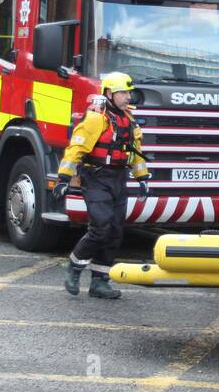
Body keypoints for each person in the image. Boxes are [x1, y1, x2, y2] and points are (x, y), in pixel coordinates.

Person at [54, 71, 151, 299]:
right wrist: (63, 179)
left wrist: (143, 179)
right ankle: (74, 266)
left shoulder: (128, 119)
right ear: (109, 93)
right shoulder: (97, 118)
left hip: (118, 179)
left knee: (115, 231)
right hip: (96, 177)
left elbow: (135, 154)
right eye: (123, 93)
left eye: (128, 92)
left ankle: (99, 281)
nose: (128, 97)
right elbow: (75, 149)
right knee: (101, 227)